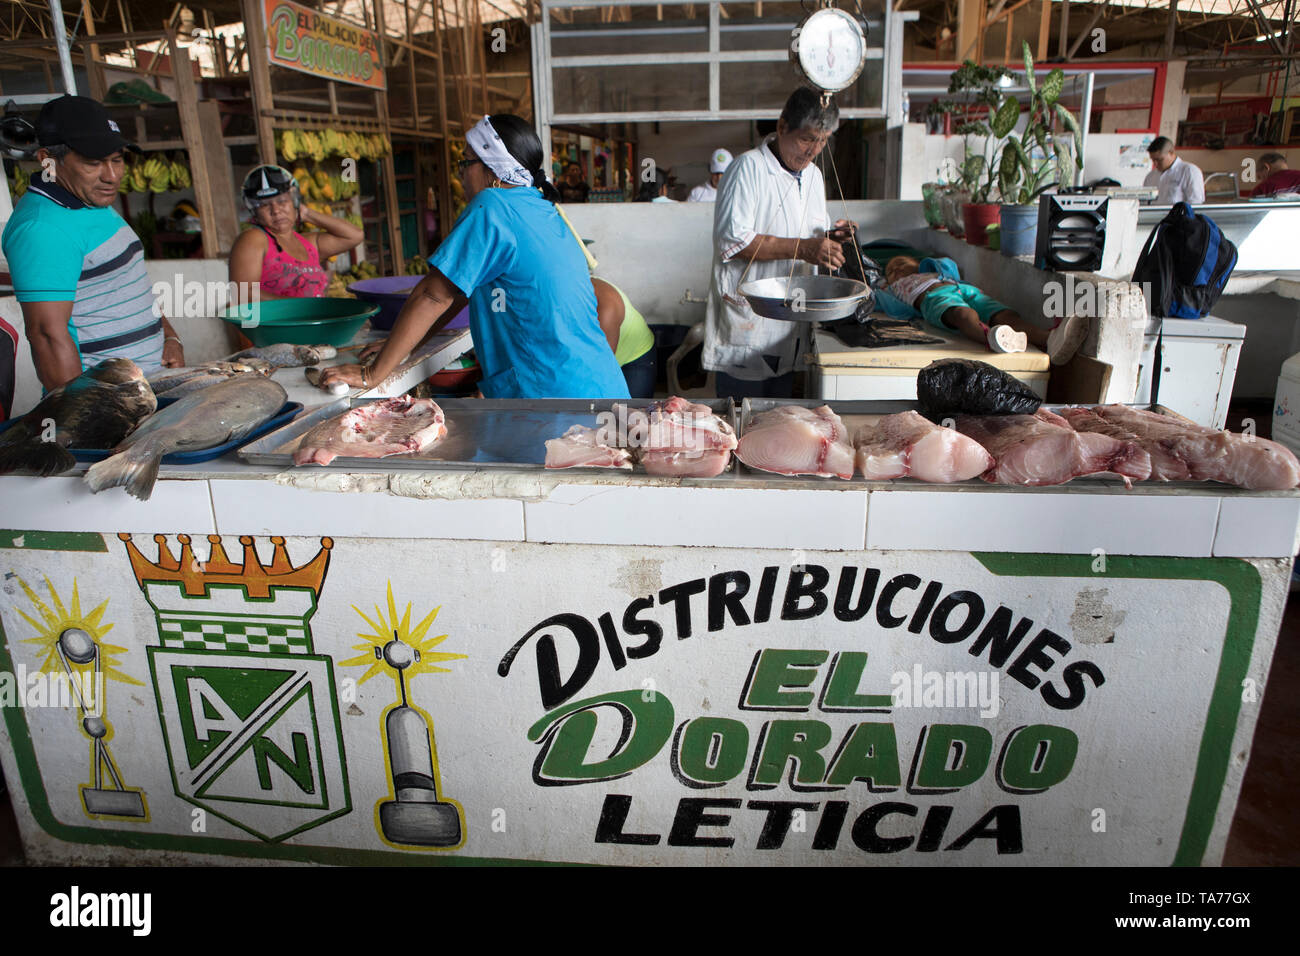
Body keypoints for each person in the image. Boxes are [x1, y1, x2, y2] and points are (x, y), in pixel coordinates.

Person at [319, 115, 627, 400]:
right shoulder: (540, 206)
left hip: (553, 398)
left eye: (465, 162)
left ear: (490, 169)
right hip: (597, 388)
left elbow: (432, 295)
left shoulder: (492, 205)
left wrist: (372, 373)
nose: (462, 174)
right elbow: (456, 291)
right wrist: (398, 350)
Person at [1, 94, 184, 390]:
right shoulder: (42, 229)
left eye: (116, 159)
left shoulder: (91, 199)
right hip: (112, 404)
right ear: (48, 159)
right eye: (93, 163)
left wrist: (170, 336)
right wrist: (89, 423)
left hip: (151, 388)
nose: (112, 176)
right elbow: (48, 337)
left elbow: (127, 282)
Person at [704, 87, 856, 400]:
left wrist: (831, 237)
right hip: (750, 320)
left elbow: (808, 231)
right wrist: (806, 248)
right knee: (742, 423)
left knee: (779, 421)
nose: (814, 150)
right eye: (807, 138)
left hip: (791, 320)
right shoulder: (747, 169)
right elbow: (734, 242)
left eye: (823, 140)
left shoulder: (812, 175)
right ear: (782, 126)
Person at [881, 256, 1086, 364]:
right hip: (933, 297)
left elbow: (949, 265)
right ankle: (990, 337)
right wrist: (882, 287)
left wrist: (932, 266)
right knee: (961, 314)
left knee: (1003, 314)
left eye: (901, 264)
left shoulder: (936, 271)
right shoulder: (892, 288)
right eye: (891, 270)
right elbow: (881, 301)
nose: (897, 270)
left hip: (966, 289)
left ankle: (1049, 339)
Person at [228, 165, 364, 299]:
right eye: (264, 205)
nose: (275, 210)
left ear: (295, 201)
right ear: (255, 211)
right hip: (277, 321)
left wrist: (306, 213)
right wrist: (299, 308)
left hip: (311, 320)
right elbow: (241, 293)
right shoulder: (253, 238)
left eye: (282, 201)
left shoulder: (309, 244)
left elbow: (354, 236)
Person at [592, 277, 657, 398]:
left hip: (635, 357)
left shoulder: (606, 304)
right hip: (606, 359)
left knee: (632, 413)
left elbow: (601, 368)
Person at [1143, 136, 1205, 204]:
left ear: (1171, 153)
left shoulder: (1189, 171)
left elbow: (1196, 202)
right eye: (1153, 160)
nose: (1155, 164)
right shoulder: (1151, 176)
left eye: (1159, 160)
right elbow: (1144, 201)